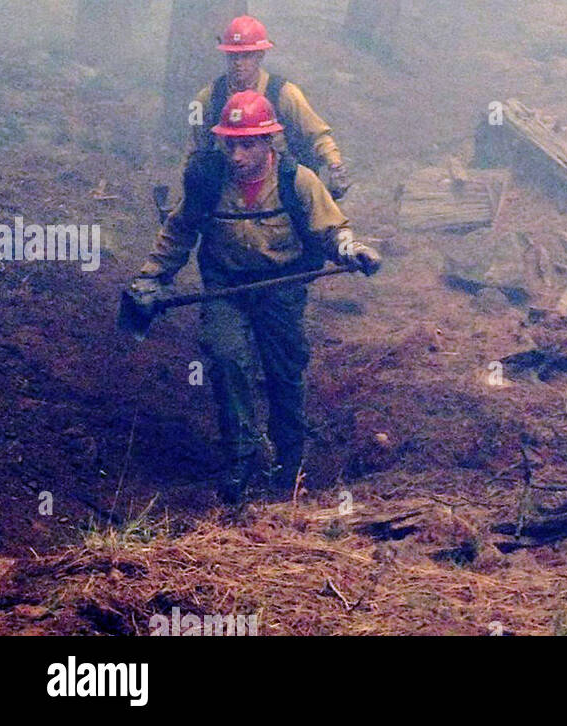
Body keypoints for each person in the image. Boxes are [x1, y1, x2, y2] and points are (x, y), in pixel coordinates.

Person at [128, 91, 381, 504]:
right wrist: (151, 278)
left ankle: (288, 461)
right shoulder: (208, 179)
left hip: (280, 286)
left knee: (284, 369)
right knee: (227, 360)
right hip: (225, 284)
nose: (237, 154)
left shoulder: (297, 180)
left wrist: (353, 250)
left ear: (269, 141)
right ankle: (240, 458)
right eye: (231, 143)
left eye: (247, 144)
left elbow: (330, 231)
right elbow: (179, 231)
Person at [188, 16, 350, 199]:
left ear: (260, 56)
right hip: (229, 187)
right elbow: (198, 149)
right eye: (233, 56)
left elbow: (317, 134)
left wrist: (335, 167)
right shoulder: (209, 98)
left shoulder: (284, 93)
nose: (239, 63)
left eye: (246, 55)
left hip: (281, 186)